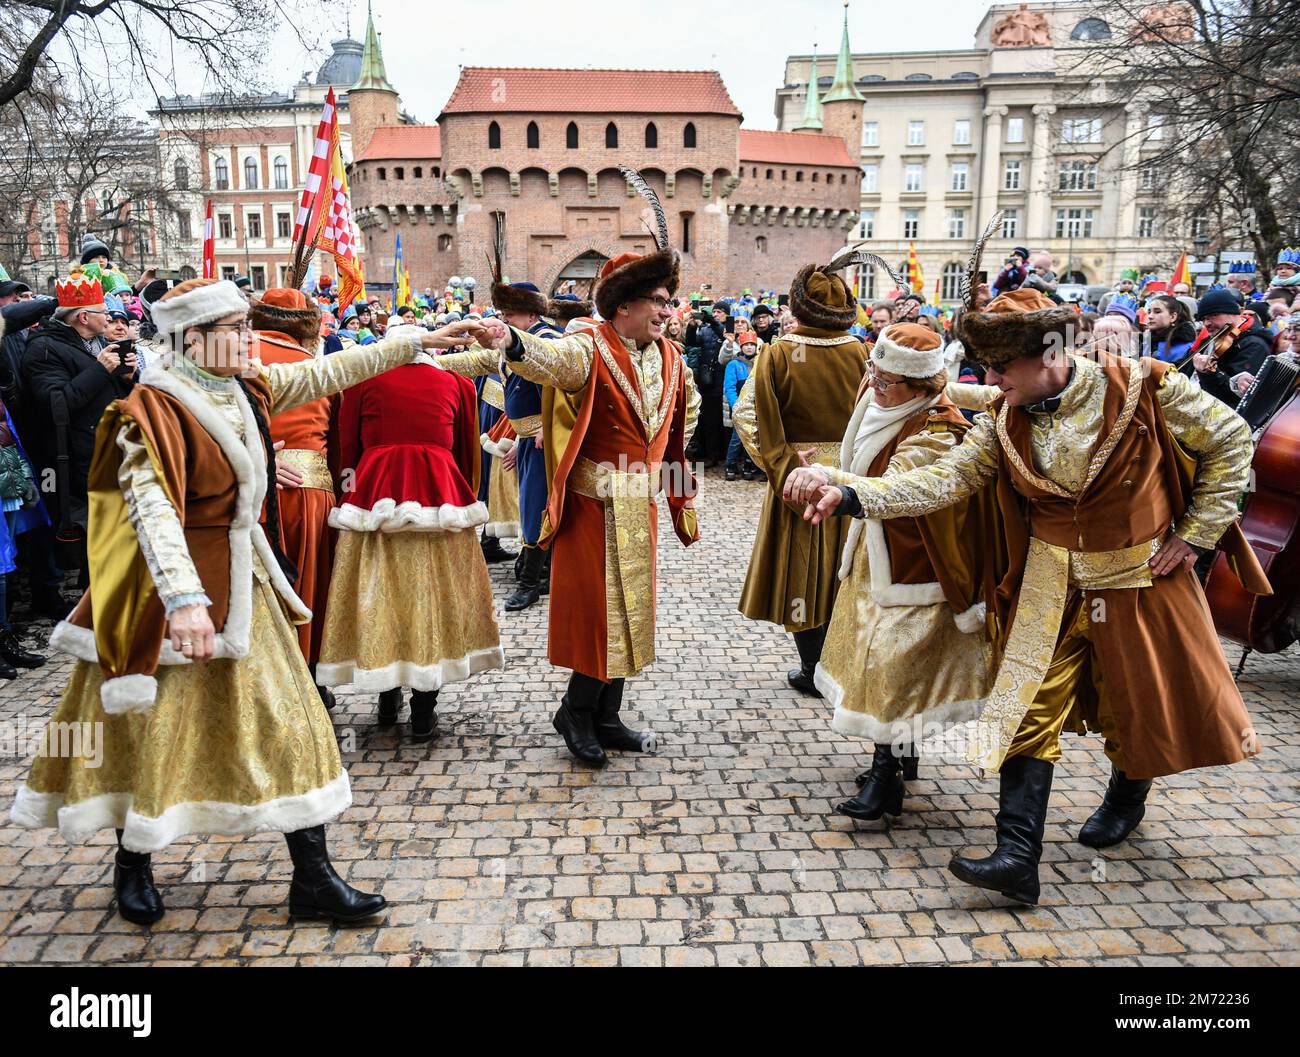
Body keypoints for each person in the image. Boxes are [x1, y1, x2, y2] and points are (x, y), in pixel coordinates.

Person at [10, 278, 476, 926]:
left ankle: (312, 877)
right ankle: (133, 862)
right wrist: (184, 600)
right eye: (233, 328)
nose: (248, 338)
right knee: (152, 732)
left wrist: (417, 340)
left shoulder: (244, 387)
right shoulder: (151, 410)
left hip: (246, 583)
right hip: (164, 601)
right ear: (192, 339)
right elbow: (151, 513)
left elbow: (333, 368)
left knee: (293, 720)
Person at [787, 286, 1263, 906]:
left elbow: (1233, 440)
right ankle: (1017, 857)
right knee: (1025, 707)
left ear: (1049, 356)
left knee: (1133, 699)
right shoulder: (1005, 416)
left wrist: (1197, 536)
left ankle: (1126, 793)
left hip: (1140, 575)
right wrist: (852, 495)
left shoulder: (1146, 387)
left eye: (1000, 368)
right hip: (1047, 580)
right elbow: (944, 481)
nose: (988, 379)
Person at [471, 172, 699, 768]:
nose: (667, 312)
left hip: (639, 504)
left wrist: (672, 489)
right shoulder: (590, 347)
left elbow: (682, 421)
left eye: (668, 303)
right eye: (658, 303)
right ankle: (575, 709)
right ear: (623, 308)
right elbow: (549, 361)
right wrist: (514, 345)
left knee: (632, 609)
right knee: (594, 610)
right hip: (594, 505)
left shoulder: (671, 355)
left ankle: (607, 712)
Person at [815, 323, 993, 821]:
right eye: (874, 371)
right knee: (874, 658)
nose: (873, 383)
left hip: (916, 557)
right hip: (875, 549)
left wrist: (831, 479)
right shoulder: (886, 394)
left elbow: (904, 487)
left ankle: (885, 779)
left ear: (920, 387)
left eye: (887, 380)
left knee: (894, 666)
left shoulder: (939, 427)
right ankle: (900, 758)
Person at [316, 323, 504, 742]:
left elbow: (347, 445)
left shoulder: (363, 380)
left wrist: (348, 488)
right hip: (441, 493)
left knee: (379, 593)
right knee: (434, 595)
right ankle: (424, 709)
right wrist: (463, 495)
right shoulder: (455, 384)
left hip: (374, 493)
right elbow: (465, 450)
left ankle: (386, 696)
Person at [731, 251, 870, 696]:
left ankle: (812, 667)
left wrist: (784, 464)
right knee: (846, 570)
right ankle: (840, 663)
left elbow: (748, 415)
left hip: (799, 475)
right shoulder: (862, 352)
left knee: (802, 572)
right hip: (851, 478)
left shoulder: (778, 354)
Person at [439, 262, 560, 612]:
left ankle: (531, 582)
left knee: (537, 506)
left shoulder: (548, 341)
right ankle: (539, 569)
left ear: (527, 313)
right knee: (530, 507)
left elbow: (563, 391)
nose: (504, 320)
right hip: (525, 438)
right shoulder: (514, 343)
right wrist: (430, 361)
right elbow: (478, 363)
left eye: (509, 313)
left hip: (542, 441)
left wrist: (546, 431)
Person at [247, 289, 339, 708]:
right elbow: (338, 442)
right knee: (307, 588)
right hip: (309, 491)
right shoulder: (315, 367)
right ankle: (308, 681)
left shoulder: (231, 358)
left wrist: (263, 457)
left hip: (245, 495)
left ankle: (261, 685)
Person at [22, 276, 137, 585]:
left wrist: (125, 378)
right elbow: (57, 403)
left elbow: (100, 393)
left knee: (108, 535)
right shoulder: (43, 349)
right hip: (73, 460)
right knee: (93, 535)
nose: (111, 318)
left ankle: (103, 596)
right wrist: (100, 369)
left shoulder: (90, 342)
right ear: (84, 317)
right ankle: (90, 603)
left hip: (103, 451)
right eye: (104, 311)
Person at [1191, 286, 1272, 404]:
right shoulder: (1211, 338)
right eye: (1204, 319)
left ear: (1234, 313)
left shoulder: (1254, 345)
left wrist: (1210, 373)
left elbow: (1234, 397)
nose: (1207, 323)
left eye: (1213, 315)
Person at [685, 301, 727, 465]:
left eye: (719, 312)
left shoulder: (729, 326)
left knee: (721, 421)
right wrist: (692, 326)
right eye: (714, 312)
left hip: (723, 379)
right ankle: (710, 454)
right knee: (708, 419)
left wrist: (711, 320)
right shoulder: (706, 329)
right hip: (708, 380)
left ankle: (721, 453)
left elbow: (724, 334)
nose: (716, 314)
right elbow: (692, 342)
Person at [723, 331, 759, 481]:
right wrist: (736, 405)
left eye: (752, 345)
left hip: (756, 407)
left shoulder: (760, 362)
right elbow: (729, 387)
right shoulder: (734, 364)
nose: (749, 348)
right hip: (740, 407)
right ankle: (730, 465)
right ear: (741, 347)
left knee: (752, 437)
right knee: (737, 438)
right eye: (746, 345)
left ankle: (748, 464)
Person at [1143, 294, 1197, 364]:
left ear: (1172, 317)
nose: (1150, 316)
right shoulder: (1146, 339)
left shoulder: (1185, 347)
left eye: (1157, 312)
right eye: (1149, 312)